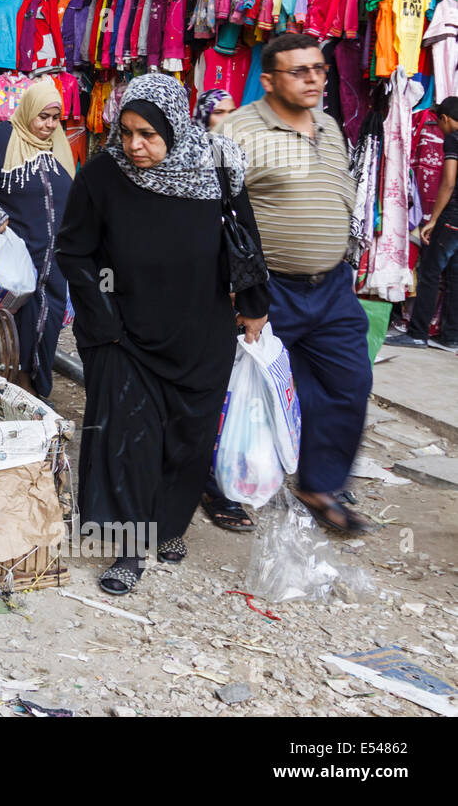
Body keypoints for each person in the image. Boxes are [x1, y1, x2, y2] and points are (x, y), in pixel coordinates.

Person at [56, 74, 270, 595]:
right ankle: (129, 547)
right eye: (127, 132)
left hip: (201, 332)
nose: (135, 145)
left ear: (175, 127)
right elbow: (73, 250)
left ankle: (168, 526)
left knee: (188, 437)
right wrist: (101, 319)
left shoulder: (216, 165)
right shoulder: (104, 173)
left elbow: (245, 237)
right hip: (126, 335)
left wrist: (256, 307)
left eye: (148, 134)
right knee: (130, 442)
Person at [219, 32, 375, 535]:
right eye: (299, 71)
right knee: (238, 389)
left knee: (347, 383)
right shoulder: (239, 131)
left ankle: (318, 483)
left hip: (330, 287)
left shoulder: (329, 126)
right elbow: (218, 215)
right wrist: (241, 292)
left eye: (319, 70)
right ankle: (220, 485)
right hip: (268, 289)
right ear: (267, 80)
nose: (313, 79)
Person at [0, 80, 73, 398]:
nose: (49, 125)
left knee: (48, 321)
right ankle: (19, 382)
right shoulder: (0, 139)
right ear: (29, 111)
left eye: (55, 118)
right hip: (19, 255)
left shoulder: (58, 147)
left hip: (54, 257)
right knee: (20, 320)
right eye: (43, 117)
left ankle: (38, 384)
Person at [189, 89, 258, 533]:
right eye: (219, 113)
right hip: (194, 295)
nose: (226, 120)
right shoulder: (188, 162)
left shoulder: (235, 160)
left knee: (227, 394)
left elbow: (246, 228)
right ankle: (204, 483)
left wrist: (251, 297)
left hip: (231, 292)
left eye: (232, 113)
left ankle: (221, 480)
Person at [384, 95, 458, 352]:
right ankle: (450, 337)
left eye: (440, 123)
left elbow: (448, 182)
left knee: (429, 272)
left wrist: (434, 219)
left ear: (446, 119)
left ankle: (417, 333)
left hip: (452, 218)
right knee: (454, 276)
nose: (440, 128)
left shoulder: (453, 138)